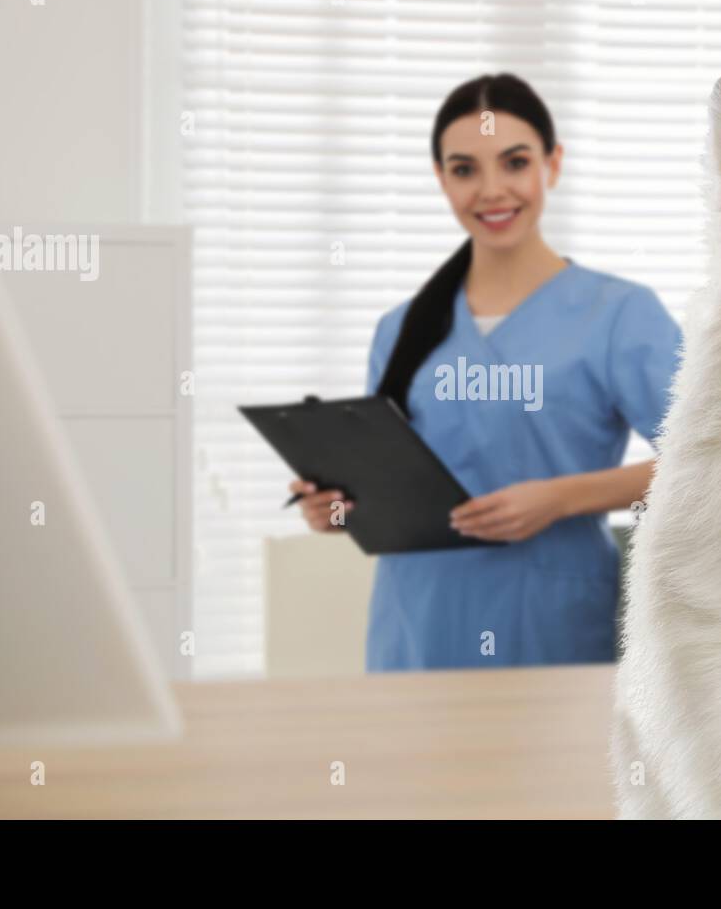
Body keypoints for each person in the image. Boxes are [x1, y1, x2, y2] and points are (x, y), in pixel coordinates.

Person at [291, 73, 682, 671]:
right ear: (441, 179)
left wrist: (560, 499)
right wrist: (336, 512)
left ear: (553, 164)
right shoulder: (400, 329)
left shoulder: (620, 314)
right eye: (465, 169)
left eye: (515, 162)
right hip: (415, 623)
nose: (492, 190)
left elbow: (714, 462)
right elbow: (384, 485)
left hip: (551, 622)